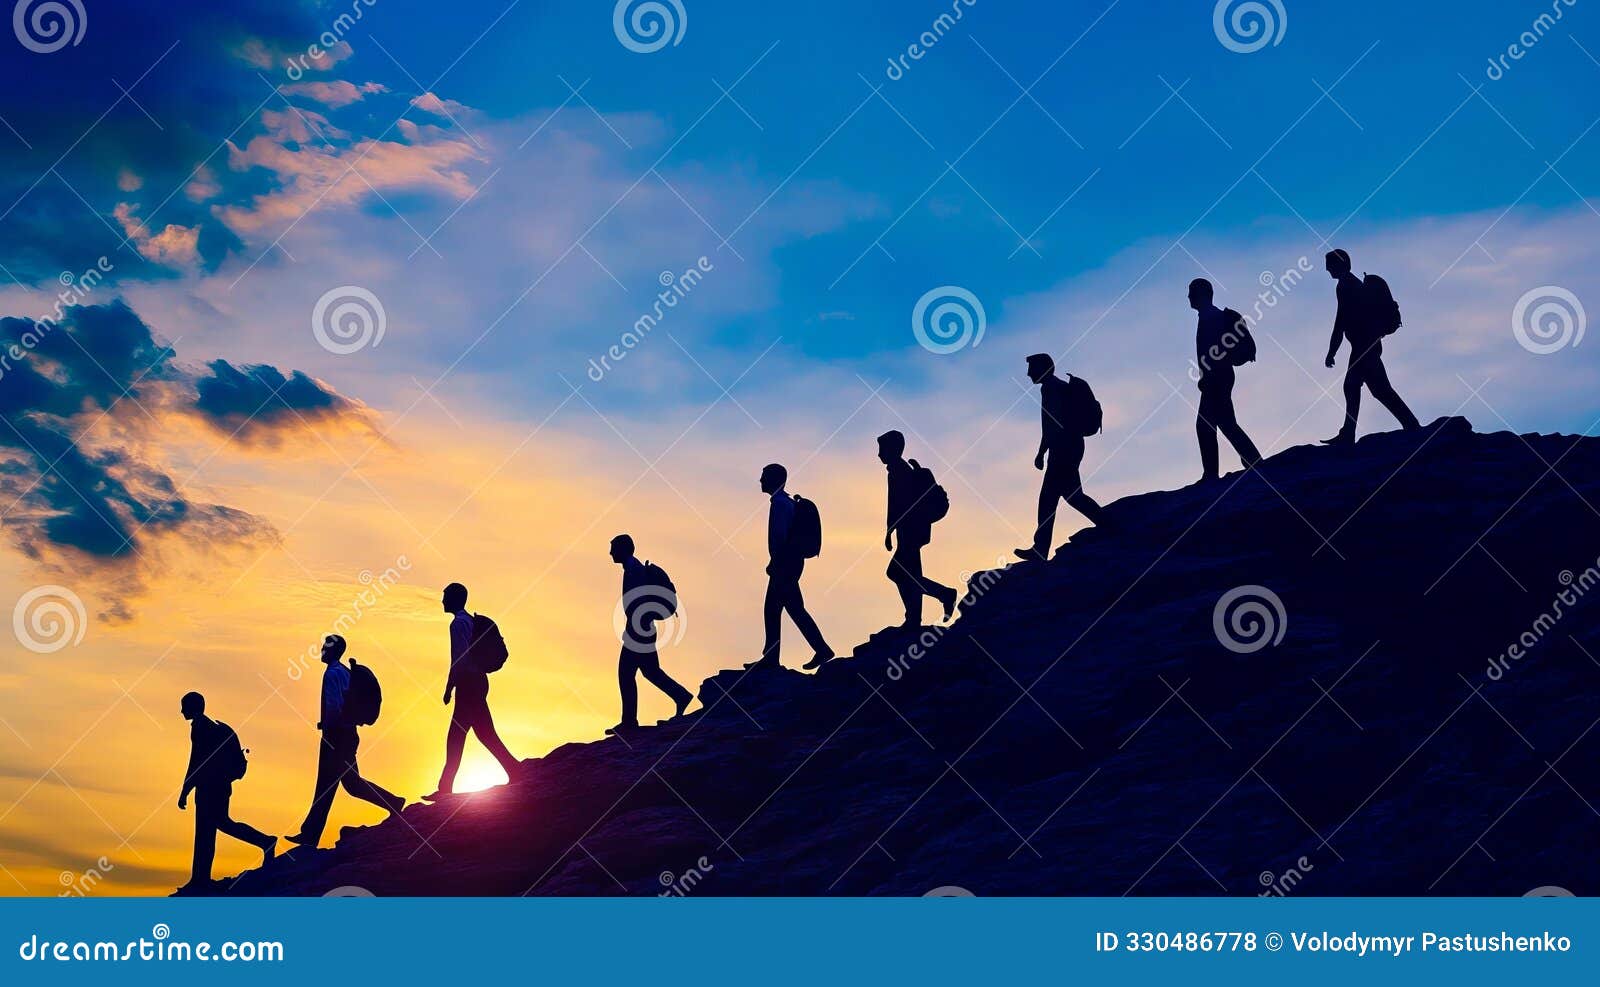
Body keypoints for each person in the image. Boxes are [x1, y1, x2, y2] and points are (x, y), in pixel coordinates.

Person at [286, 635, 404, 847]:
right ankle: (310, 834)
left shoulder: (332, 674)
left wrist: (326, 726)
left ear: (334, 650)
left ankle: (310, 835)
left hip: (336, 736)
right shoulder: (345, 672)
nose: (322, 650)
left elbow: (334, 706)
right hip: (348, 734)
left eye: (325, 647)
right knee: (344, 784)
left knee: (335, 784)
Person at [423, 583, 521, 801]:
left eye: (445, 596)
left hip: (468, 683)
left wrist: (450, 686)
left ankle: (445, 788)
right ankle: (514, 768)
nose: (442, 600)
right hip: (477, 681)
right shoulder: (469, 621)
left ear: (455, 599)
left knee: (456, 736)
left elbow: (459, 657)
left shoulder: (458, 624)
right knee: (485, 733)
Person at [178, 692, 274, 893]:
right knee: (212, 829)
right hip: (218, 786)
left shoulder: (200, 728)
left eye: (184, 706)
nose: (181, 711)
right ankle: (200, 877)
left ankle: (265, 841)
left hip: (210, 787)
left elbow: (196, 761)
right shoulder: (208, 726)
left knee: (210, 829)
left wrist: (185, 790)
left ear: (194, 707)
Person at [1322, 249, 1420, 445]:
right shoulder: (1351, 283)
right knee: (1376, 389)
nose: (1327, 270)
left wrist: (1332, 351)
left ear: (1339, 264)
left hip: (1364, 345)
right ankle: (1409, 424)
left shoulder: (1346, 285)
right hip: (1366, 344)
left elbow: (1340, 320)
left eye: (1329, 265)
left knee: (1357, 386)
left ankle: (1349, 434)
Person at [1016, 354, 1107, 561]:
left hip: (1063, 448)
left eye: (1032, 368)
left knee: (1049, 499)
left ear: (1043, 369)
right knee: (1070, 496)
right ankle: (1108, 524)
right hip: (1070, 445)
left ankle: (1041, 549)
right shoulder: (1057, 386)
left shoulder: (1050, 388)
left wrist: (1042, 452)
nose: (1028, 373)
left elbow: (1051, 423)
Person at [746, 463, 834, 671]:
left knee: (775, 609)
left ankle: (776, 658)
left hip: (785, 563)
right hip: (791, 562)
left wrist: (775, 562)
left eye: (764, 476)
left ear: (775, 479)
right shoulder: (786, 502)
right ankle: (818, 649)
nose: (761, 480)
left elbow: (780, 537)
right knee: (788, 608)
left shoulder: (779, 504)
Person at [607, 534, 695, 735]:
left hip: (639, 631)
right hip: (642, 629)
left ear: (623, 549)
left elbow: (639, 603)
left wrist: (634, 630)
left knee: (626, 674)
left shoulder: (634, 569)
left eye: (613, 548)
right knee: (651, 671)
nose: (611, 553)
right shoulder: (632, 568)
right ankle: (681, 696)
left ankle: (629, 722)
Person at [877, 430, 958, 627]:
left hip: (910, 530)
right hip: (912, 530)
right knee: (909, 573)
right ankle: (914, 618)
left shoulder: (898, 471)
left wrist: (890, 530)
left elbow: (896, 504)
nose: (879, 454)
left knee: (897, 572)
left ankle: (944, 594)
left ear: (893, 449)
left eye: (882, 449)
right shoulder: (899, 469)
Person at [1189, 278, 1262, 481]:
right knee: (1225, 423)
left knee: (1205, 425)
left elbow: (1213, 352)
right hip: (1219, 377)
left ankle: (1212, 474)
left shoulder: (1211, 318)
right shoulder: (1209, 317)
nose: (1188, 296)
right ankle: (1253, 460)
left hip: (1217, 378)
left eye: (1192, 292)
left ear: (1202, 294)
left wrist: (1209, 377)